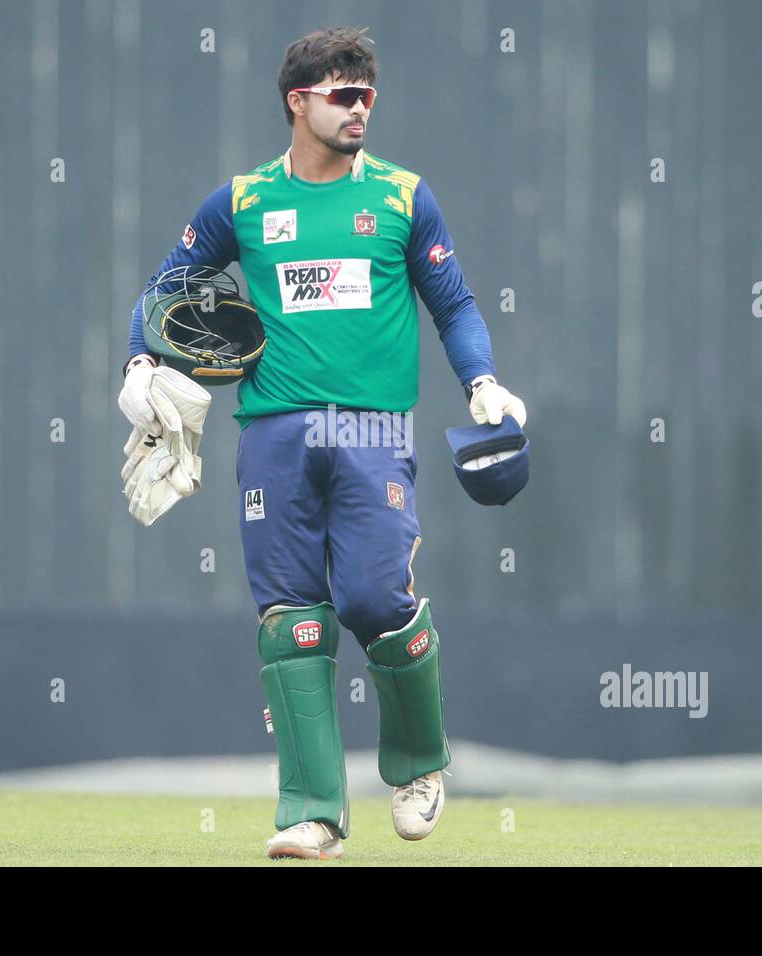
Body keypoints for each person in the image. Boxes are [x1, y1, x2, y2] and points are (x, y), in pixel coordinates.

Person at [118, 26, 526, 860]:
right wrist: (136, 362)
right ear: (298, 101)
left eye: (368, 95)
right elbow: (163, 290)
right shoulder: (241, 203)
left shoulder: (406, 197)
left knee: (376, 599)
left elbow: (453, 302)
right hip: (274, 435)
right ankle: (312, 815)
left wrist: (482, 380)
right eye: (343, 94)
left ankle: (419, 765)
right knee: (292, 623)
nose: (360, 108)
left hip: (372, 431)